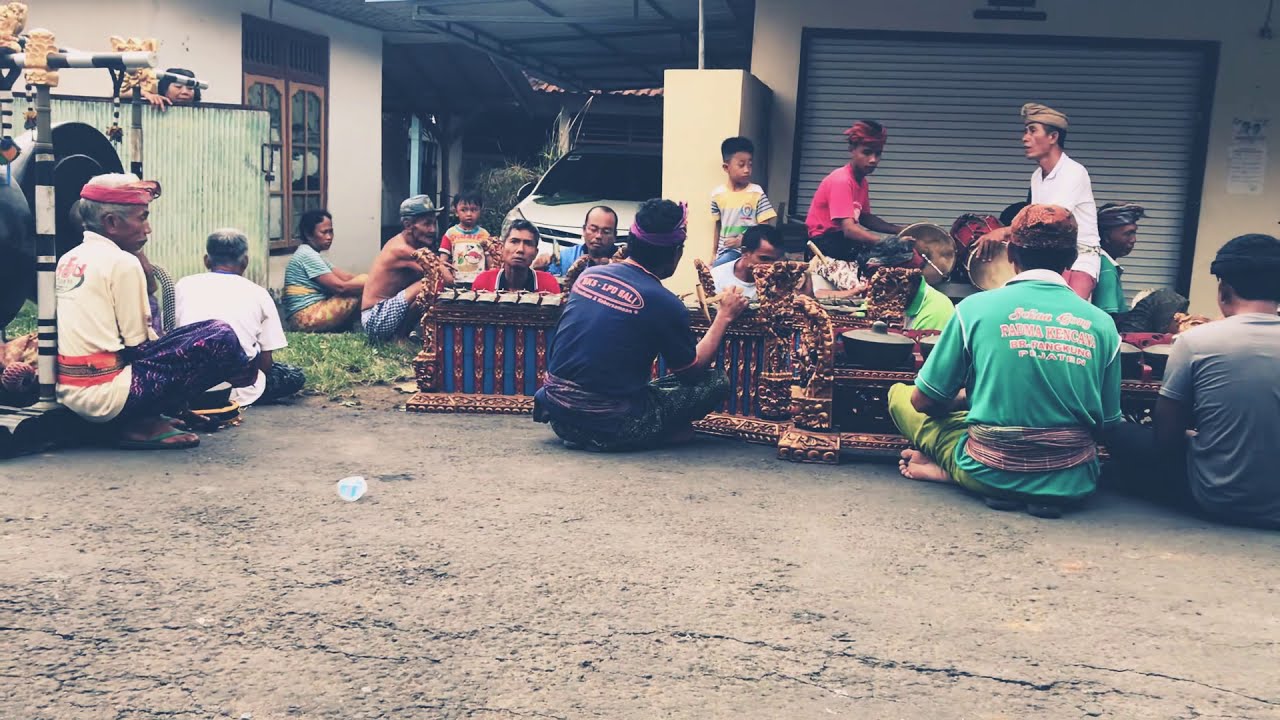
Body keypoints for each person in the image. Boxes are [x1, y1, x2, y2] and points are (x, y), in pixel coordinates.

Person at [887, 204, 1122, 519]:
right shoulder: (1102, 324)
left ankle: (958, 474)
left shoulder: (974, 309)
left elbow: (925, 401)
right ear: (1071, 259)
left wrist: (965, 400)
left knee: (900, 395)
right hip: (1072, 481)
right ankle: (1009, 486)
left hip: (987, 468)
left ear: (1010, 253)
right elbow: (1107, 423)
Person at [533, 198, 749, 451]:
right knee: (715, 381)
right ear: (675, 252)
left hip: (560, 417)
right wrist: (724, 317)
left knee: (652, 387)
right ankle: (647, 434)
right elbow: (690, 373)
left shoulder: (588, 275)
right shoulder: (664, 302)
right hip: (613, 426)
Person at [55, 174, 251, 450]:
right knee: (220, 335)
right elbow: (139, 347)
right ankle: (141, 423)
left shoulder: (70, 258)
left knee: (199, 335)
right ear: (111, 223)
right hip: (108, 398)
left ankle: (148, 417)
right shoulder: (122, 263)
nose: (147, 229)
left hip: (73, 391)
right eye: (141, 217)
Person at [1105, 234, 1280, 529]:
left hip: (1217, 498)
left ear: (1223, 290)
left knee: (1120, 434)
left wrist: (1194, 437)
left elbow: (1166, 441)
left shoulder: (1195, 341)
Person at [973, 104, 1102, 300]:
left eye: (1033, 131)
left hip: (1079, 261)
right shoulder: (1036, 176)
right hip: (1050, 261)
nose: (1025, 138)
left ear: (1053, 137)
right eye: (1025, 131)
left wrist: (1002, 232)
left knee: (1068, 316)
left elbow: (1051, 220)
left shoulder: (1073, 172)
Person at [175, 229, 305, 407]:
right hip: (238, 389)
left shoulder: (183, 285)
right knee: (293, 375)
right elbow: (266, 363)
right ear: (245, 261)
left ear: (207, 261)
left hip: (189, 387)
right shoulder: (258, 293)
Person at [805, 120, 903, 261]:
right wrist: (886, 243)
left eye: (878, 154)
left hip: (843, 243)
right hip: (824, 245)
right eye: (867, 153)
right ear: (852, 149)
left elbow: (865, 217)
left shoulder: (862, 182)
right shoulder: (842, 180)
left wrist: (899, 230)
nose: (873, 160)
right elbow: (849, 230)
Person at [362, 195, 453, 343]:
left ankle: (405, 334)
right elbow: (447, 279)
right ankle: (400, 337)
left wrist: (440, 264)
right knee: (430, 283)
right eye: (427, 224)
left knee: (430, 282)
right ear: (408, 225)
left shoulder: (415, 246)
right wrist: (442, 265)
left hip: (384, 314)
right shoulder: (402, 249)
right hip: (374, 319)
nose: (432, 230)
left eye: (434, 223)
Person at [1094, 202, 1191, 333]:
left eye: (1134, 233)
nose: (1133, 239)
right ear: (1107, 236)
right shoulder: (1106, 270)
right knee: (1163, 298)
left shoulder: (1104, 263)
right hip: (1117, 335)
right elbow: (1107, 319)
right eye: (1128, 234)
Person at [283, 209, 367, 332]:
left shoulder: (314, 254)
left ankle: (352, 327)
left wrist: (375, 281)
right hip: (304, 318)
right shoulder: (307, 255)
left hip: (311, 312)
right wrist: (376, 285)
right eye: (324, 232)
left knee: (362, 281)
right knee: (358, 288)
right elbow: (340, 287)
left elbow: (347, 277)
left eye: (331, 232)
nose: (329, 237)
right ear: (308, 234)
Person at [710, 136, 777, 267]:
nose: (747, 170)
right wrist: (713, 254)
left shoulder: (756, 193)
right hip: (724, 252)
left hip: (748, 252)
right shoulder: (717, 194)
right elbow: (718, 225)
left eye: (750, 165)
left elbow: (764, 228)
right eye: (741, 165)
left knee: (716, 271)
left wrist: (743, 241)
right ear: (726, 167)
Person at [471, 220, 561, 293]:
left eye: (528, 243)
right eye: (514, 241)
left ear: (535, 253)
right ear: (502, 248)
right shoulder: (483, 282)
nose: (520, 249)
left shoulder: (548, 284)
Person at [535, 205, 619, 276]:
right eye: (593, 229)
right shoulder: (564, 258)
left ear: (615, 235)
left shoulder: (626, 263)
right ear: (583, 230)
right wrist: (537, 270)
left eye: (606, 232)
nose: (598, 236)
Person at [710, 224, 784, 300]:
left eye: (775, 261)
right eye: (764, 259)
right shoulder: (716, 277)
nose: (770, 266)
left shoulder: (780, 282)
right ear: (744, 252)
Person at [440, 189, 489, 283]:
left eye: (474, 209)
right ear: (456, 211)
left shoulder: (485, 235)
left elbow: (491, 263)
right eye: (464, 210)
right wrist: (448, 276)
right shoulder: (450, 234)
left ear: (480, 211)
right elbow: (442, 262)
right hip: (456, 283)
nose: (469, 214)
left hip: (480, 284)